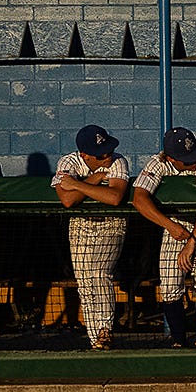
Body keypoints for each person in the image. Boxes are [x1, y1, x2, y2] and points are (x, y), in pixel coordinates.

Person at [130, 127, 196, 346]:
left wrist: (192, 242)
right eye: (187, 159)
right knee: (170, 283)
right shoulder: (158, 162)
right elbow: (139, 199)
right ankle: (179, 340)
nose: (194, 160)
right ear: (171, 158)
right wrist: (170, 226)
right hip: (177, 222)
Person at [54, 124, 131, 351]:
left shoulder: (118, 160)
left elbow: (115, 197)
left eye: (108, 150)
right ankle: (96, 342)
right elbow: (67, 201)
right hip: (80, 225)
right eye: (100, 154)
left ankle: (106, 330)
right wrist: (96, 180)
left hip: (111, 223)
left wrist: (79, 184)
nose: (107, 156)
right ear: (84, 155)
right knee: (85, 283)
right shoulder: (68, 162)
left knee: (100, 273)